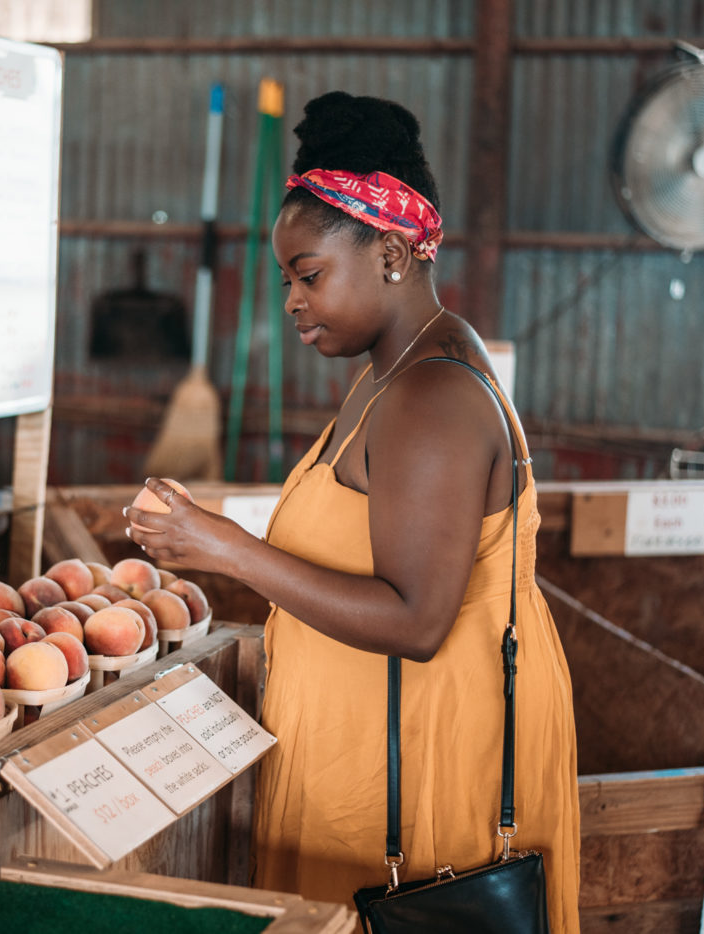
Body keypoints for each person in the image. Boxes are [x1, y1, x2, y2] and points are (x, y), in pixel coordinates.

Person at [125, 90, 580, 930]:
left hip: (427, 763)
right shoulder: (389, 371)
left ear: (395, 253)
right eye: (287, 280)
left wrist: (224, 547)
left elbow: (417, 620)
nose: (293, 302)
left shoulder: (433, 396)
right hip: (374, 735)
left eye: (310, 276)